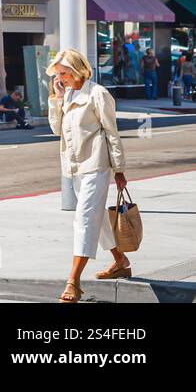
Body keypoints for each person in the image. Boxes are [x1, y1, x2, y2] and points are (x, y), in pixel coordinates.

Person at [47, 47, 130, 303]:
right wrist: (57, 99)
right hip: (75, 167)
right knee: (97, 217)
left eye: (63, 73)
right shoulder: (68, 94)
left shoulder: (97, 94)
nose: (60, 78)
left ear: (76, 70)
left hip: (97, 165)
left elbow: (112, 133)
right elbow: (56, 129)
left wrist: (119, 169)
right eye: (57, 74)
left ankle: (73, 281)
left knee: (84, 219)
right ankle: (121, 262)